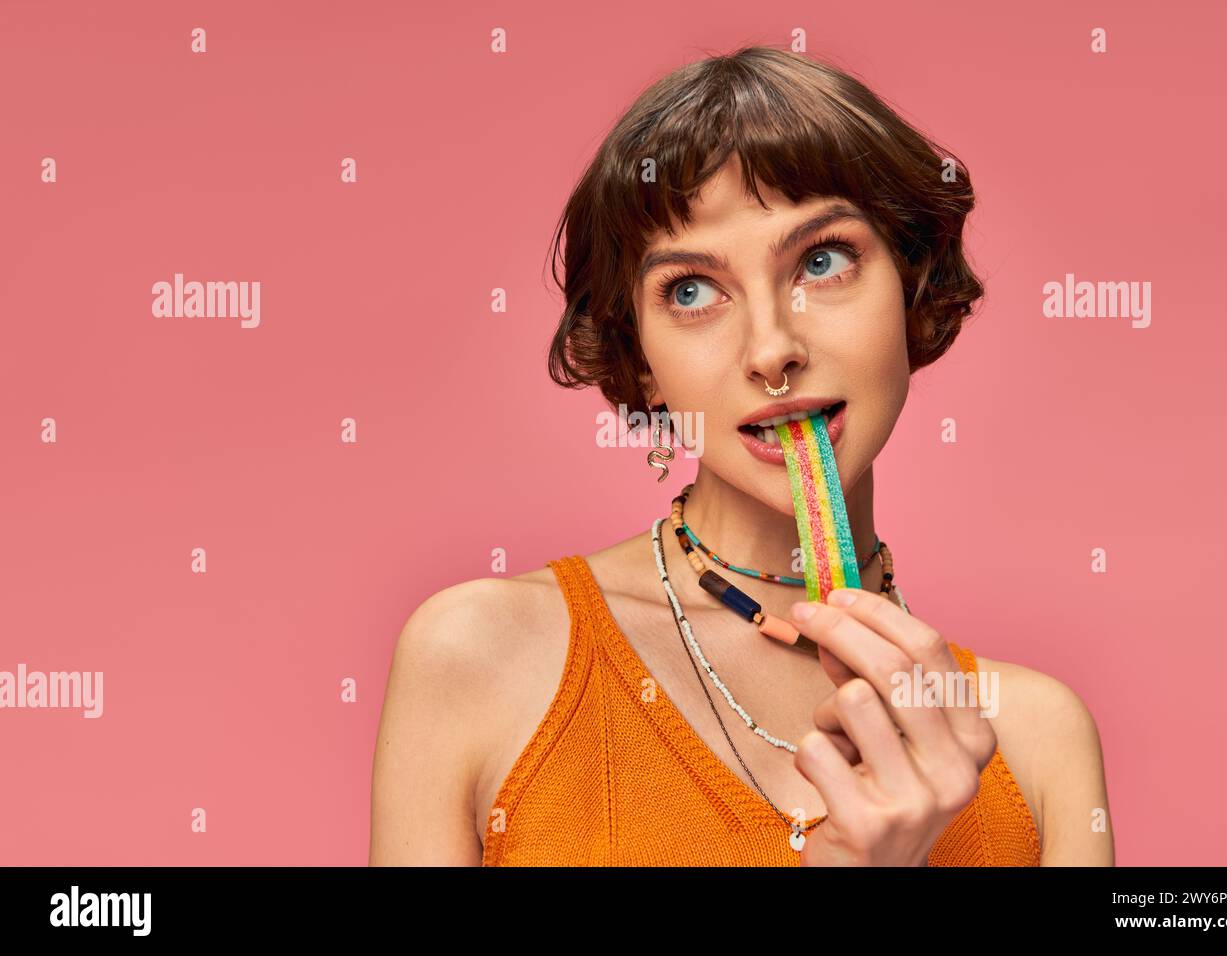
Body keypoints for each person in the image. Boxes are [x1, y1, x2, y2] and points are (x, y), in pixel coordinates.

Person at [370, 45, 1114, 867]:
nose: (771, 349)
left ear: (912, 287)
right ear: (640, 358)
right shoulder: (479, 657)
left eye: (822, 261)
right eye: (691, 290)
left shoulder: (1036, 744)